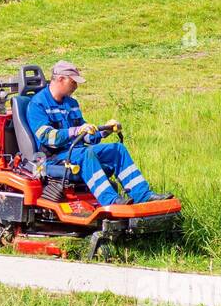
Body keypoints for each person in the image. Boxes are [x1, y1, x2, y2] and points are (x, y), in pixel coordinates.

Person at [23, 61, 169, 205]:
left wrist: (105, 130)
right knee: (86, 154)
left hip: (77, 151)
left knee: (117, 149)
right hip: (55, 157)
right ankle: (111, 201)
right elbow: (47, 137)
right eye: (73, 82)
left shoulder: (71, 104)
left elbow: (85, 135)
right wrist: (76, 131)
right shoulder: (38, 104)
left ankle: (143, 195)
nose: (76, 86)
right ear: (61, 79)